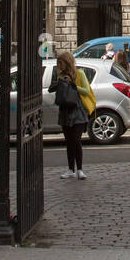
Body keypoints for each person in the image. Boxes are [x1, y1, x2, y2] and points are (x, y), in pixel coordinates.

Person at [49, 51, 93, 180]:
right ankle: (70, 169)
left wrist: (73, 85)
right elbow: (54, 90)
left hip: (77, 111)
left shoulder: (80, 74)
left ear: (67, 62)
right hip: (65, 111)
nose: (59, 65)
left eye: (60, 63)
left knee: (76, 140)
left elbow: (86, 90)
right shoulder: (60, 76)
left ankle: (80, 169)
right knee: (68, 142)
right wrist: (59, 83)